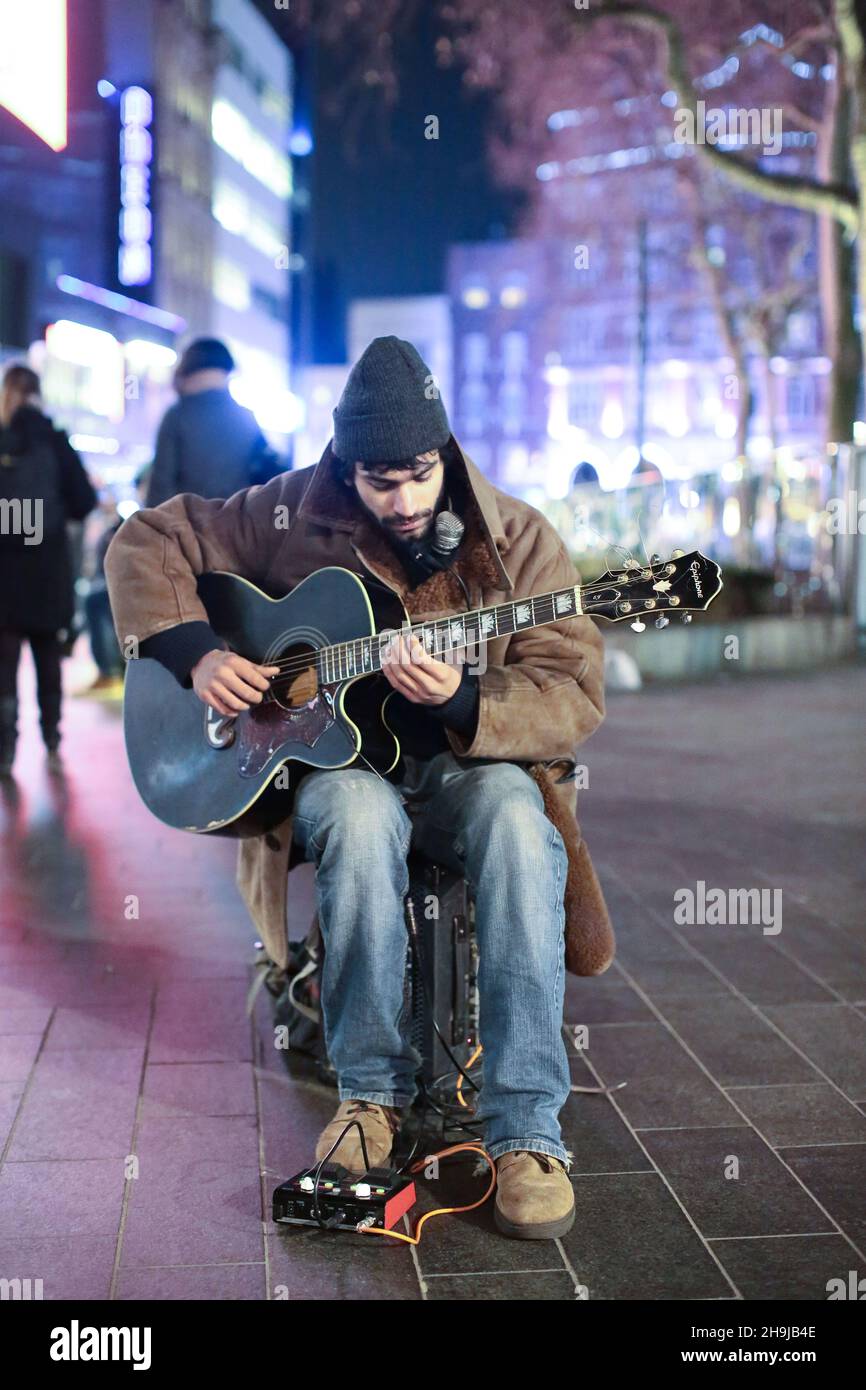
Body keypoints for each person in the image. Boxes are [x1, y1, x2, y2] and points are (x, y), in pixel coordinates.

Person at [104, 336, 614, 1241]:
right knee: (349, 806)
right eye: (382, 482)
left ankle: (528, 1128)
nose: (407, 501)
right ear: (346, 463)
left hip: (472, 772)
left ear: (445, 454)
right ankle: (368, 1100)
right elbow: (146, 538)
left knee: (513, 815)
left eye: (421, 475)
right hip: (351, 774)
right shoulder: (288, 513)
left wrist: (462, 697)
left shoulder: (520, 540)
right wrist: (199, 652)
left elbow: (572, 691)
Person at [0, 363, 97, 776]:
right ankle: (52, 736)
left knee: (3, 666)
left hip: (5, 573)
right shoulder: (57, 441)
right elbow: (84, 501)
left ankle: (5, 747)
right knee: (47, 659)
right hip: (48, 569)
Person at [145, 337, 284, 508]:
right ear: (227, 371)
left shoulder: (177, 416)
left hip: (188, 527)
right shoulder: (245, 418)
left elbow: (161, 486)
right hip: (239, 527)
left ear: (187, 371)